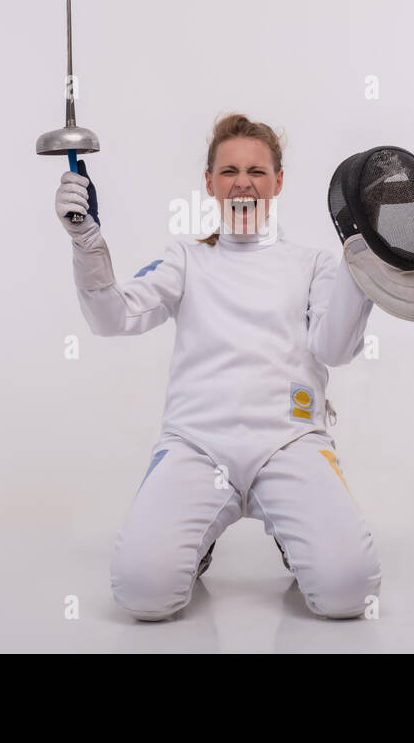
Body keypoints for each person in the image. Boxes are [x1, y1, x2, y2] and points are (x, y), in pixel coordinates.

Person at [54, 113, 381, 620]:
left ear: (277, 182)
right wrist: (86, 240)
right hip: (198, 444)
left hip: (289, 442)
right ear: (209, 183)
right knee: (143, 594)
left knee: (347, 593)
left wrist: (363, 268)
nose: (243, 182)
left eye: (256, 170)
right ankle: (197, 545)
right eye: (229, 171)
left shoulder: (314, 264)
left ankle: (298, 544)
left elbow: (334, 350)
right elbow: (112, 317)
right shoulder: (186, 259)